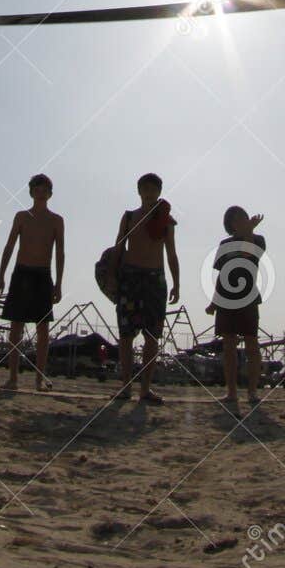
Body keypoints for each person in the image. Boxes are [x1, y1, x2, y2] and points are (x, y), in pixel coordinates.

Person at [113, 172, 179, 405]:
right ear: (139, 191)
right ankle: (126, 386)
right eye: (145, 189)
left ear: (159, 192)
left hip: (155, 279)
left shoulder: (166, 221)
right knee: (126, 335)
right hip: (130, 278)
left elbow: (171, 252)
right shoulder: (129, 217)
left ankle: (145, 389)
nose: (150, 193)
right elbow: (119, 247)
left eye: (154, 189)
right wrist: (113, 276)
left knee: (152, 335)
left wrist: (176, 283)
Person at [0, 174, 64, 392]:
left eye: (45, 189)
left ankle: (39, 379)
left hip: (43, 275)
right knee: (16, 326)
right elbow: (9, 246)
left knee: (43, 328)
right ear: (31, 191)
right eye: (37, 188)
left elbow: (60, 252)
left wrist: (59, 283)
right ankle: (13, 378)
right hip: (22, 273)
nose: (41, 192)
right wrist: (1, 275)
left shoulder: (56, 220)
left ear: (50, 193)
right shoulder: (22, 216)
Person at [206, 206, 267, 414]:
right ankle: (231, 392)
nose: (244, 219)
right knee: (229, 346)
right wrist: (214, 302)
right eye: (239, 218)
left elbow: (251, 255)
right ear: (231, 224)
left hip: (248, 297)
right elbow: (222, 275)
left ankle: (252, 391)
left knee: (252, 343)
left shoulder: (258, 239)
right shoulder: (225, 244)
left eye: (244, 216)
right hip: (226, 300)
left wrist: (249, 231)